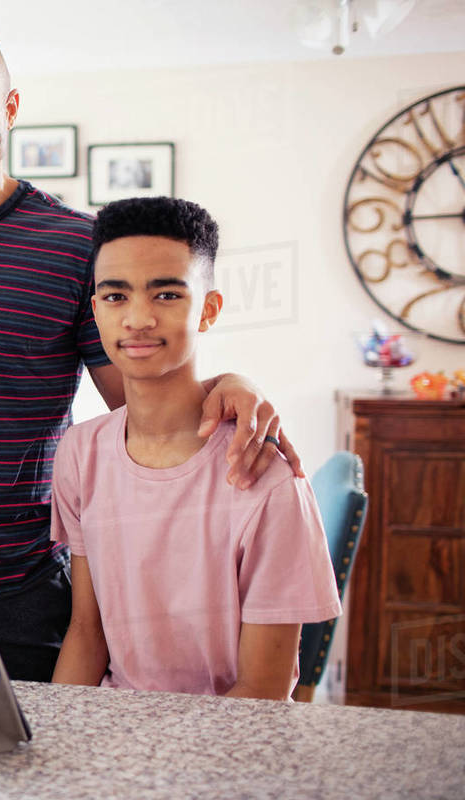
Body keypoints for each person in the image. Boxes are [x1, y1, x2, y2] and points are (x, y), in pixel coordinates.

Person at [0, 22, 304, 681]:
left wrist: (231, 381)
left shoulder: (75, 246)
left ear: (11, 107)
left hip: (19, 593)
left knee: (19, 777)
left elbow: (144, 409)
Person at [50, 197, 340, 699]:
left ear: (207, 310)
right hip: (111, 739)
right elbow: (87, 633)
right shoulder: (80, 452)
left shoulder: (265, 478)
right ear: (95, 310)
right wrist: (53, 742)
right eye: (116, 297)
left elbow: (262, 691)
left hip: (225, 747)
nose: (138, 319)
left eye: (165, 295)